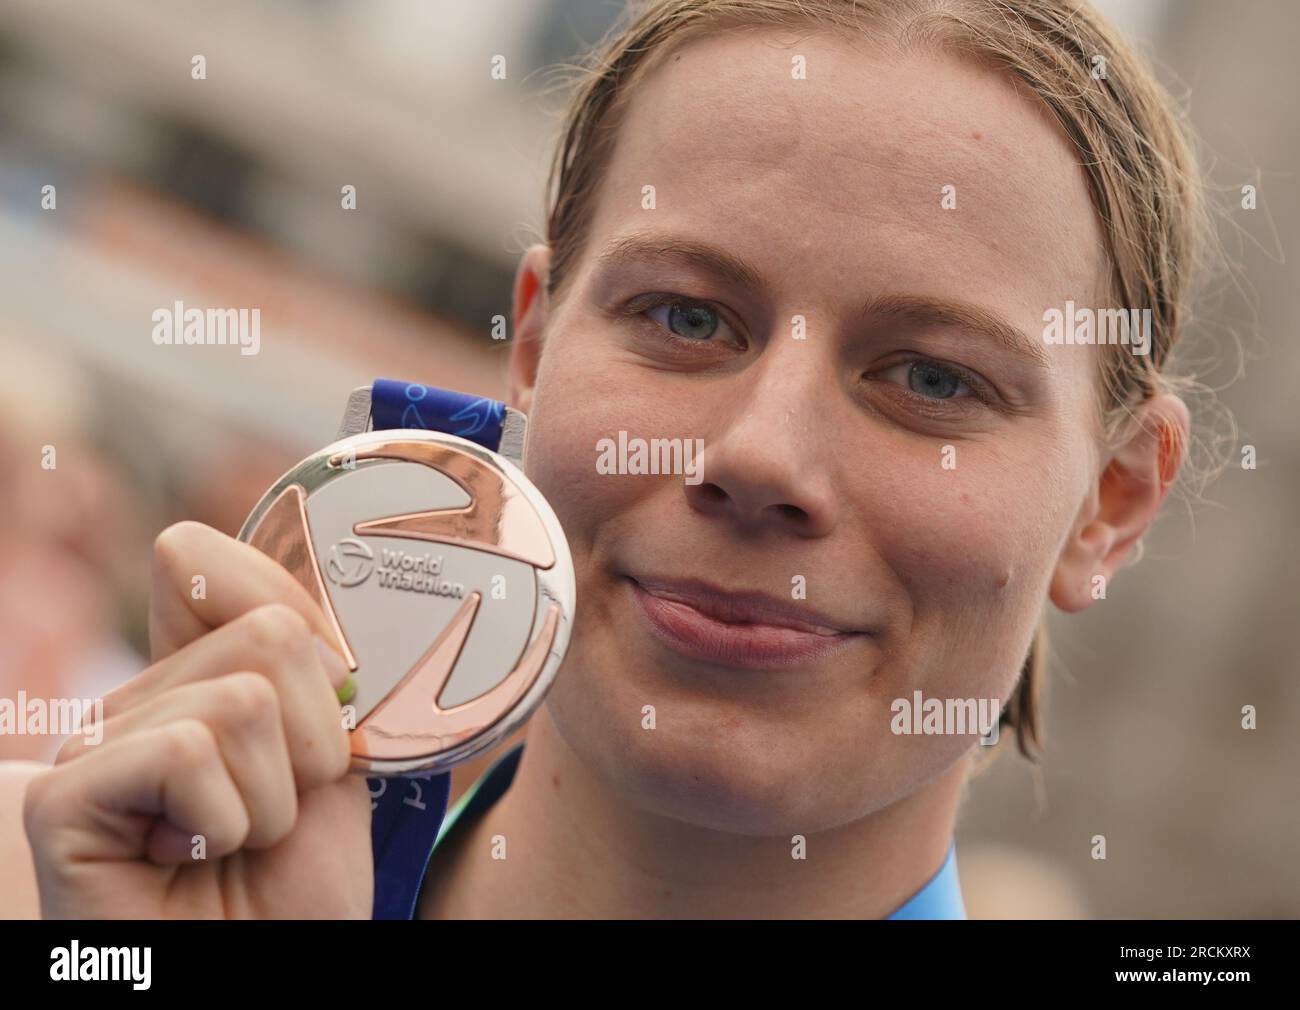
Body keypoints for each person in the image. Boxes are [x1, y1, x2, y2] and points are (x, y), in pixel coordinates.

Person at [1, 0, 1212, 919]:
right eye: (686, 317)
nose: (758, 453)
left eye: (934, 378)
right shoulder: (63, 877)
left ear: (1111, 501)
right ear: (532, 343)